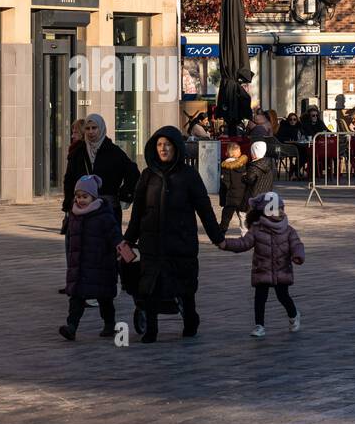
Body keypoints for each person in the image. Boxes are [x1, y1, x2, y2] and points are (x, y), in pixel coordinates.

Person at [120, 126, 225, 342]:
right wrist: (128, 240)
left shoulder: (189, 176)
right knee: (149, 287)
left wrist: (217, 238)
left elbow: (205, 209)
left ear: (176, 147)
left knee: (185, 287)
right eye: (159, 145)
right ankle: (151, 330)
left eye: (168, 144)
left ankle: (190, 321)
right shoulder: (148, 175)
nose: (163, 149)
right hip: (152, 244)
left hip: (180, 243)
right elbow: (137, 212)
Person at [221, 191, 304, 338]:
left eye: (280, 209)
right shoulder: (257, 229)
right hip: (262, 269)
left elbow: (296, 244)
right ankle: (259, 326)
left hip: (281, 269)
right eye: (275, 209)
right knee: (260, 297)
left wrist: (298, 255)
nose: (279, 212)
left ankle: (293, 315)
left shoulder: (288, 230)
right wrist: (226, 244)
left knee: (283, 296)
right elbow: (243, 243)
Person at [59, 175, 121, 341]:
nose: (81, 200)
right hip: (80, 266)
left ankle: (109, 324)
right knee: (76, 299)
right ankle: (71, 327)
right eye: (78, 196)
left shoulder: (103, 215)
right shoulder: (74, 214)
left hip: (100, 265)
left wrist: (121, 248)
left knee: (104, 298)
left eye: (85, 197)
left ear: (93, 197)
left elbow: (114, 235)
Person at [61, 113, 139, 228]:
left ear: (101, 128)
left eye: (94, 128)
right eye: (87, 128)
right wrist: (69, 204)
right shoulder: (78, 152)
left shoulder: (113, 151)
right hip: (82, 210)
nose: (91, 132)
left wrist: (124, 196)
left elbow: (132, 172)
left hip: (107, 210)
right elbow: (69, 179)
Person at [218, 141, 250, 232]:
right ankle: (246, 235)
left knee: (226, 219)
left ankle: (220, 235)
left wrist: (222, 200)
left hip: (231, 198)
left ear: (227, 153)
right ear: (239, 153)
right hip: (242, 197)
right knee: (243, 218)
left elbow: (225, 185)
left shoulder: (226, 167)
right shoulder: (244, 165)